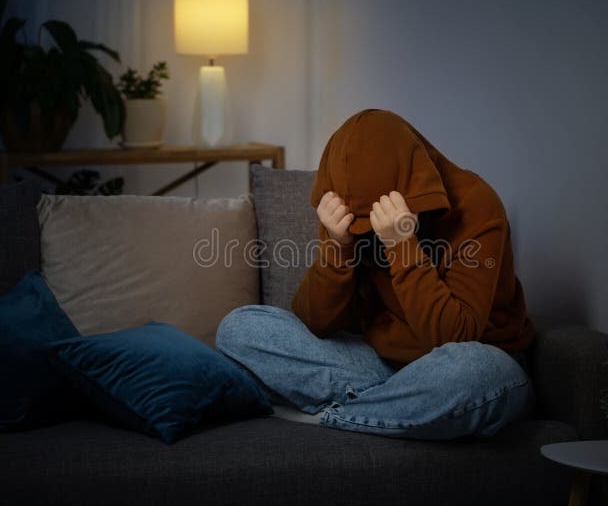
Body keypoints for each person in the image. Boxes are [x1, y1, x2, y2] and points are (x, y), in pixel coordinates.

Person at [216, 109, 535, 440]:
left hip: (465, 365)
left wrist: (400, 243)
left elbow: (454, 337)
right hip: (378, 367)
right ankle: (392, 411)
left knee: (477, 370)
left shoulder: (477, 204)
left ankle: (332, 417)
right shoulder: (346, 210)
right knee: (240, 326)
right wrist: (337, 246)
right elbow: (313, 324)